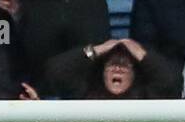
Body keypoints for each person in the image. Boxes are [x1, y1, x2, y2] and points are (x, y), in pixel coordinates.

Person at [45, 37, 178, 101]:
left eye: (125, 65)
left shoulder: (146, 95)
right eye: (112, 64)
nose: (118, 69)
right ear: (102, 72)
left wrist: (138, 51)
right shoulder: (86, 91)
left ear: (134, 75)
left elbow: (170, 79)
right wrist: (97, 50)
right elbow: (56, 70)